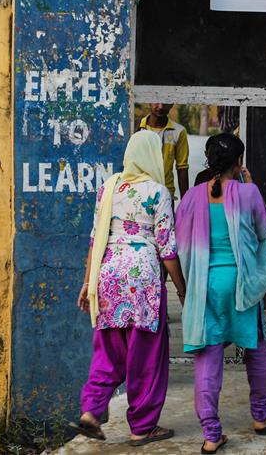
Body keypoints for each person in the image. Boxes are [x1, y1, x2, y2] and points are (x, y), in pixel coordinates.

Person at [71, 130, 187, 447]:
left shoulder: (109, 187)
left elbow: (95, 239)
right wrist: (181, 287)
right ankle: (143, 427)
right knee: (146, 356)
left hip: (108, 276)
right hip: (142, 280)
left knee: (108, 350)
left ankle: (92, 411)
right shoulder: (158, 192)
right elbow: (167, 248)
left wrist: (87, 282)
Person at [175, 133, 266, 454]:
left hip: (205, 285)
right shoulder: (248, 193)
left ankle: (211, 434)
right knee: (255, 347)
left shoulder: (192, 197)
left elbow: (180, 241)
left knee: (208, 355)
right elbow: (263, 228)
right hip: (241, 283)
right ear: (238, 162)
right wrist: (249, 182)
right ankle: (261, 416)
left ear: (209, 161)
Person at [139, 103, 189, 201]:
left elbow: (182, 168)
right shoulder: (137, 128)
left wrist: (185, 201)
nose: (161, 106)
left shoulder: (178, 131)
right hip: (140, 192)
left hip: (166, 193)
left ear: (172, 104)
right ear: (149, 102)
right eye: (157, 101)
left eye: (165, 102)